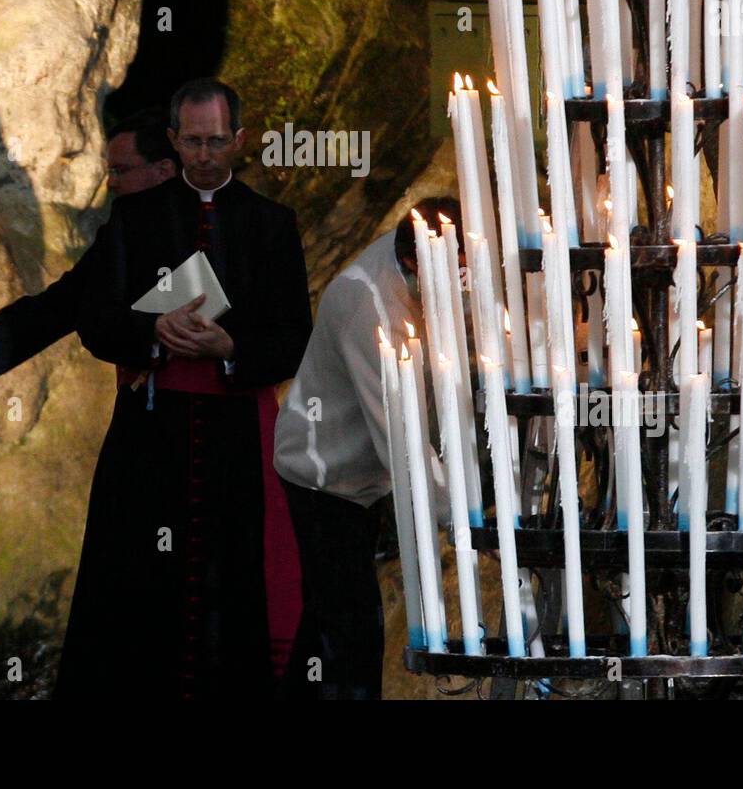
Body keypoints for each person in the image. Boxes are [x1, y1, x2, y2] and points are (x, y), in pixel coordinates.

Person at [56, 78, 312, 700]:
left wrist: (232, 349)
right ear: (173, 140)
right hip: (153, 434)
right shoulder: (136, 216)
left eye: (218, 141)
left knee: (232, 585)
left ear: (240, 140)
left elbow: (295, 335)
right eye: (193, 141)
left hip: (235, 439)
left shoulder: (272, 225)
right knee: (140, 583)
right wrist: (152, 331)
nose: (205, 154)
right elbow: (96, 320)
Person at [272, 197, 459, 699]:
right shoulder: (368, 307)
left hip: (364, 476)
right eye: (456, 272)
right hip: (322, 474)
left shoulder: (424, 261)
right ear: (417, 263)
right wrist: (462, 520)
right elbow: (399, 440)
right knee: (353, 626)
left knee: (325, 622)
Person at [0, 107, 176, 382]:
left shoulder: (215, 225)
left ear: (163, 170)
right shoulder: (120, 237)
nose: (111, 183)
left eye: (120, 170)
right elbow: (60, 305)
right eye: (110, 171)